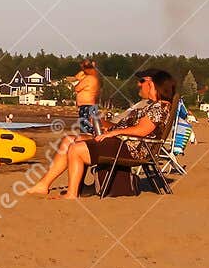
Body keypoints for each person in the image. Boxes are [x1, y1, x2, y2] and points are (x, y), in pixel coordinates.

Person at [26, 70, 176, 200]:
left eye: (143, 81)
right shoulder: (151, 105)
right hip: (123, 142)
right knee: (68, 140)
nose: (140, 84)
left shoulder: (160, 107)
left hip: (131, 149)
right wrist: (103, 125)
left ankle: (72, 193)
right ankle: (43, 185)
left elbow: (142, 130)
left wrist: (115, 132)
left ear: (153, 84)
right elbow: (129, 127)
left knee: (76, 149)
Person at [70, 61, 102, 135]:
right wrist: (84, 70)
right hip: (88, 106)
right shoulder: (92, 78)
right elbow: (77, 76)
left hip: (87, 106)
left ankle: (86, 143)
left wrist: (85, 69)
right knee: (87, 127)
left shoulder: (89, 79)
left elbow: (77, 88)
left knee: (86, 129)